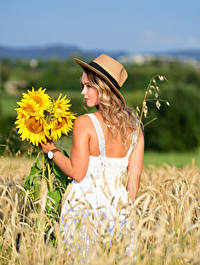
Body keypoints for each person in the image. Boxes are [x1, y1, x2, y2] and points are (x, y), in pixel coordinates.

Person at [40, 54, 144, 247]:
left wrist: (51, 150)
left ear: (103, 89)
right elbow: (133, 179)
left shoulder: (85, 123)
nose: (83, 92)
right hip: (120, 208)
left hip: (84, 207)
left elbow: (77, 172)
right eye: (82, 86)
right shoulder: (135, 129)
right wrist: (124, 213)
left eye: (88, 86)